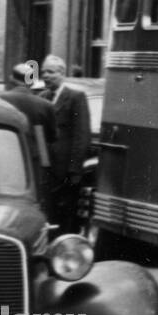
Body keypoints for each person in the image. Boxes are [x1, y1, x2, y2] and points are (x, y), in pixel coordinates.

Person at [39, 55, 91, 234]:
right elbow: (40, 134)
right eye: (43, 72)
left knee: (66, 219)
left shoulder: (75, 97)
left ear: (61, 73)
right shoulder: (43, 97)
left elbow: (81, 135)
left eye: (50, 72)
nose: (45, 75)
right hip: (47, 171)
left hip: (66, 172)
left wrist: (75, 170)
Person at [0, 63, 56, 212]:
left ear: (11, 79)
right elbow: (52, 137)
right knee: (34, 201)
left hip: (4, 157)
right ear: (31, 81)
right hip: (35, 160)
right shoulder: (45, 105)